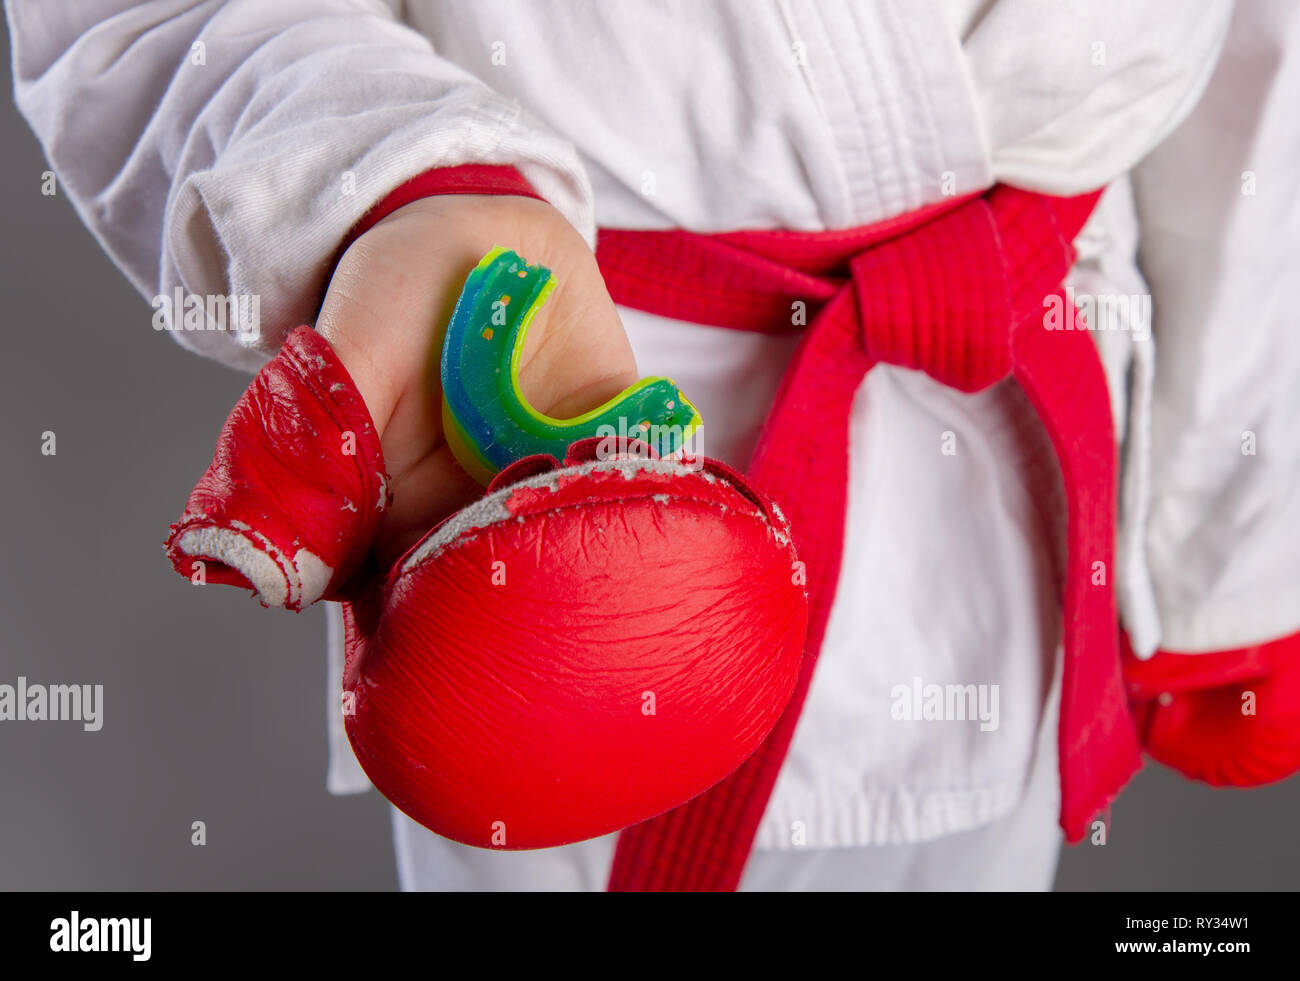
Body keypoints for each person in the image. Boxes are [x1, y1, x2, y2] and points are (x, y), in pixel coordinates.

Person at [9, 0, 1299, 891]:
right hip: (552, 499)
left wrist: (1234, 544)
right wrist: (398, 179)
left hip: (1016, 479)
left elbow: (1255, 58)